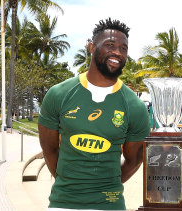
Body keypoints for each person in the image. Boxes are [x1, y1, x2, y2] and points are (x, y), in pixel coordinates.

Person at [38, 18, 150, 210]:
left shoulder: (135, 106)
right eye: (110, 45)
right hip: (63, 203)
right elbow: (49, 150)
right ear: (91, 47)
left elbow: (134, 160)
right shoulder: (59, 94)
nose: (117, 52)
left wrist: (104, 187)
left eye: (123, 48)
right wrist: (72, 185)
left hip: (110, 204)